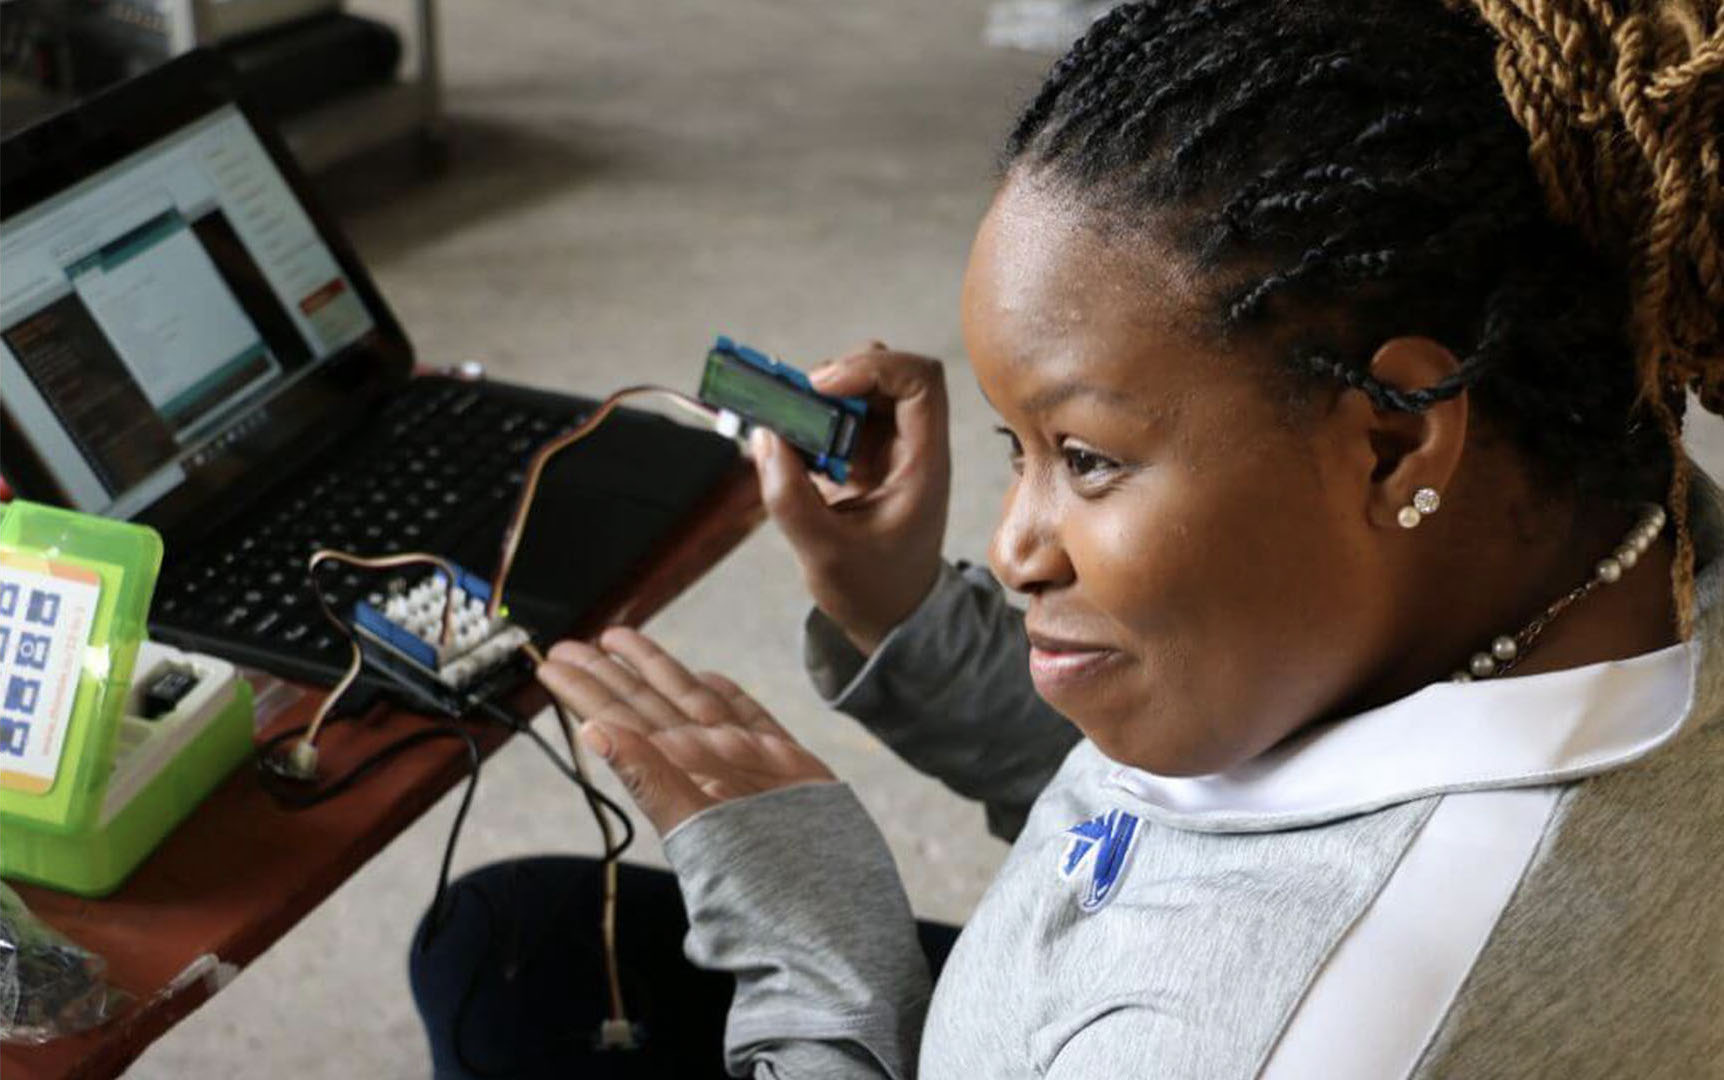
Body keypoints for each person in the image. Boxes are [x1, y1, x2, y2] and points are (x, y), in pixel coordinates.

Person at [410, 0, 1724, 1076]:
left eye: (1086, 458)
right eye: (1015, 449)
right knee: (508, 943)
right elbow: (1172, 815)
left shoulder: (1280, 1037)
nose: (1018, 543)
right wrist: (908, 611)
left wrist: (823, 976)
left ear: (1393, 438)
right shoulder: (1607, 531)